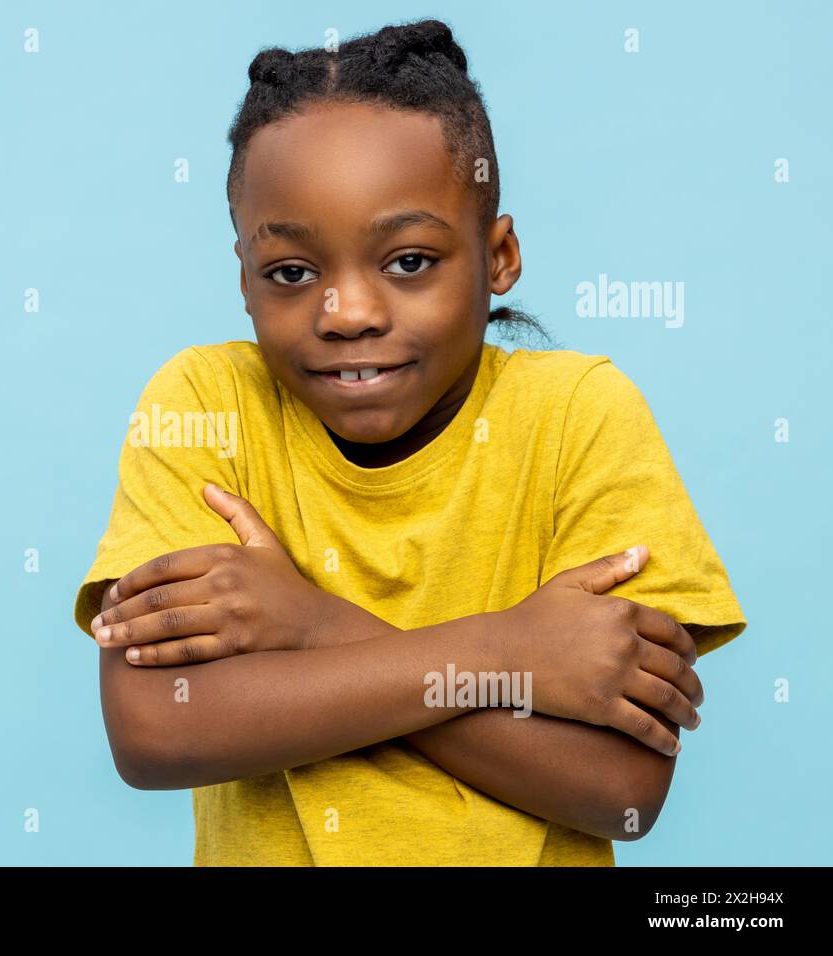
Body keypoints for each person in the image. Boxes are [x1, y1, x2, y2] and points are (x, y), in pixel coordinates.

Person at [72, 19, 746, 866]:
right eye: (291, 273)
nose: (348, 312)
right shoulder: (207, 407)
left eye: (410, 261)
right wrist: (510, 653)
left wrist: (312, 628)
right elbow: (156, 730)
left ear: (498, 255)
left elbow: (623, 791)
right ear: (244, 277)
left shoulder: (580, 416)